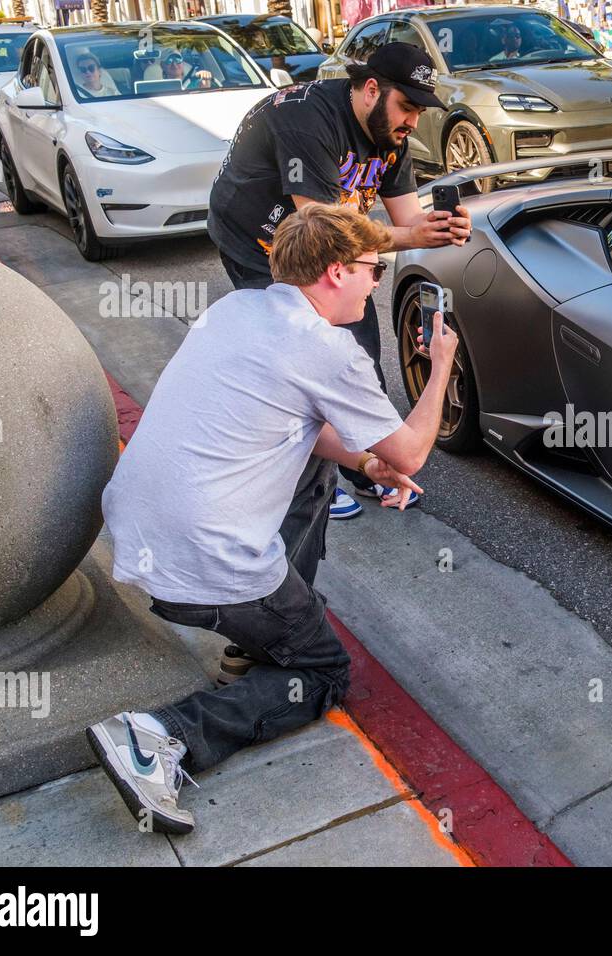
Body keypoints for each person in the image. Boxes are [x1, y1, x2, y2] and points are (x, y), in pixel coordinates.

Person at [88, 204, 460, 835]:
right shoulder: (329, 350)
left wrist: (365, 464)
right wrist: (441, 363)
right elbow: (413, 452)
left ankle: (262, 633)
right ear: (337, 271)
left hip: (138, 531)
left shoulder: (236, 309)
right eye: (374, 270)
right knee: (322, 672)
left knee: (317, 469)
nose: (376, 284)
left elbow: (301, 428)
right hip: (204, 565)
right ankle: (157, 735)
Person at [207, 41, 471, 539]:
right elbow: (321, 228)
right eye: (407, 106)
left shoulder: (390, 133)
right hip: (260, 242)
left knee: (357, 351)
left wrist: (440, 227)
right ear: (371, 89)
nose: (413, 122)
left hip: (331, 239)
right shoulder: (308, 120)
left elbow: (407, 221)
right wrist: (411, 236)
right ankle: (311, 483)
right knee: (298, 360)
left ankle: (365, 466)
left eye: (420, 110)